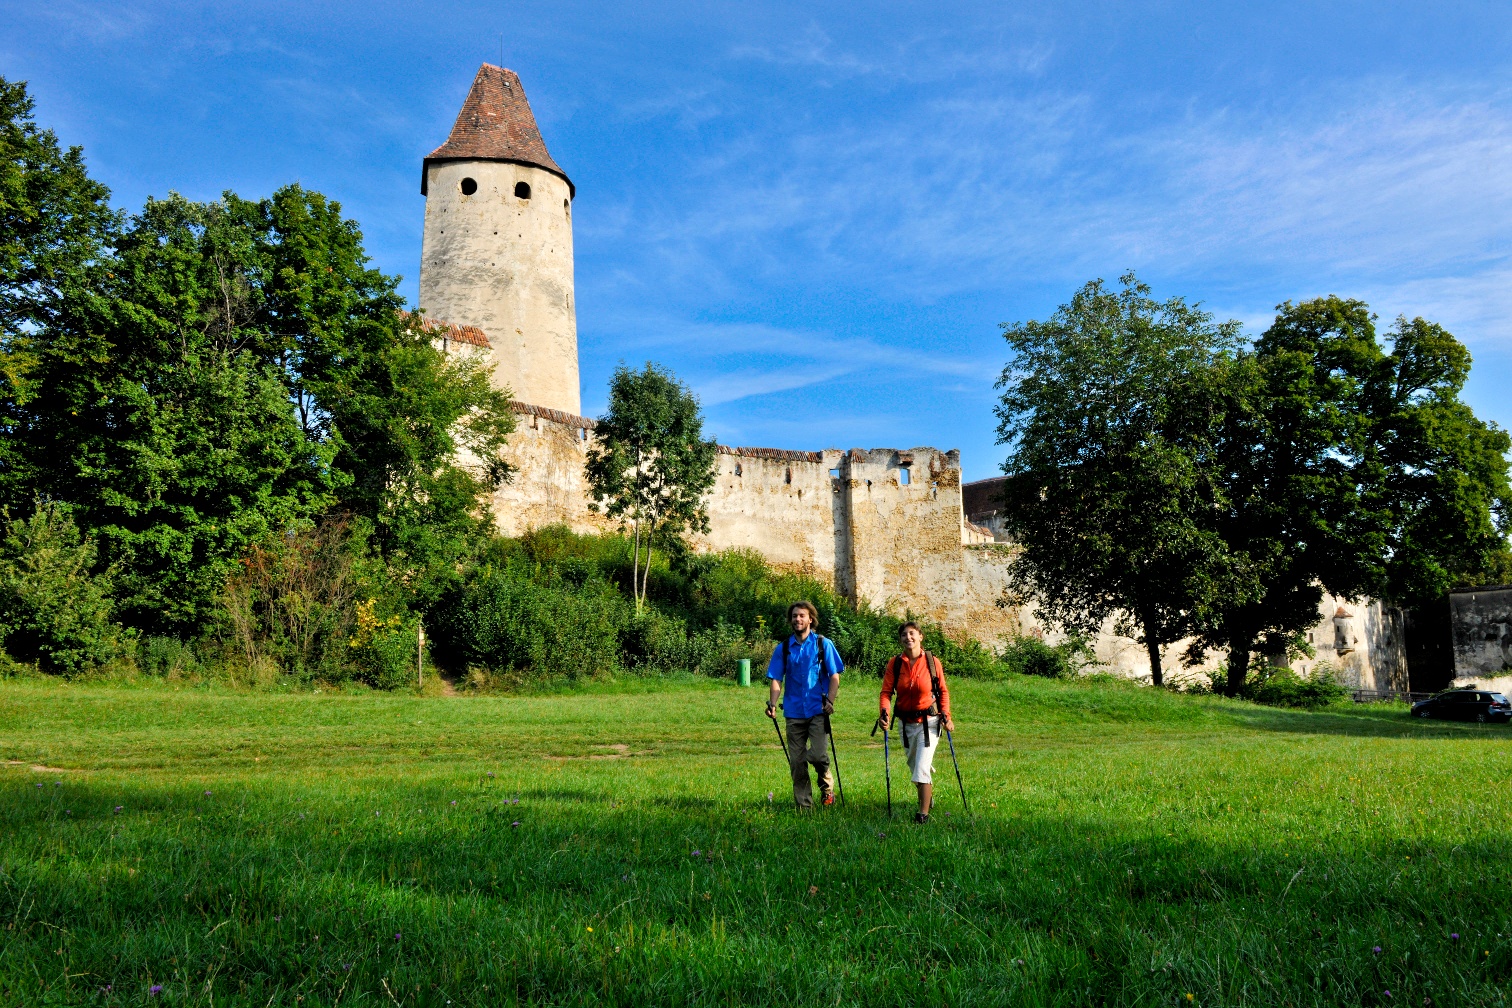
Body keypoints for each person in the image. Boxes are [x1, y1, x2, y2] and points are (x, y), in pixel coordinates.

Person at [765, 601, 844, 808]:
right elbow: (776, 678)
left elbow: (834, 675)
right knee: (797, 763)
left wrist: (830, 700)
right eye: (794, 616)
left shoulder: (822, 644)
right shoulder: (783, 648)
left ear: (811, 619)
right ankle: (804, 806)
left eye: (802, 616)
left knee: (818, 756)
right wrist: (772, 703)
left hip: (817, 710)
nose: (797, 619)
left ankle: (827, 787)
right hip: (793, 711)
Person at [877, 621, 952, 824]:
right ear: (900, 639)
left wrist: (946, 715)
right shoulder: (896, 663)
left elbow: (942, 691)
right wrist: (884, 712)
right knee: (915, 766)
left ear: (920, 636)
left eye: (912, 633)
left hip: (930, 723)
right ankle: (928, 796)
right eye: (904, 635)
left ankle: (923, 814)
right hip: (905, 723)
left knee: (920, 769)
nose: (908, 638)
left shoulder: (932, 662)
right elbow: (886, 692)